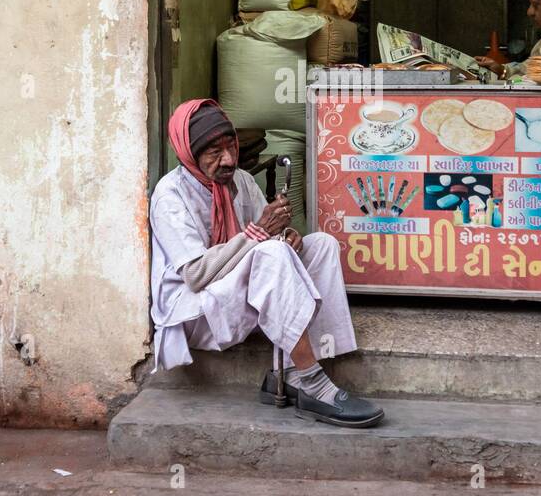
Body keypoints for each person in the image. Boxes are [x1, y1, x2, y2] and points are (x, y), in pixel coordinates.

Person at [148, 98, 385, 428]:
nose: (228, 159)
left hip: (231, 292)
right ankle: (313, 384)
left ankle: (290, 372)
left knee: (322, 246)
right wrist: (262, 234)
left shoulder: (241, 180)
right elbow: (195, 274)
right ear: (189, 153)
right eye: (214, 152)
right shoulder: (170, 195)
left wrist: (285, 237)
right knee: (271, 254)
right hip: (193, 311)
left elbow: (264, 240)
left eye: (230, 146)